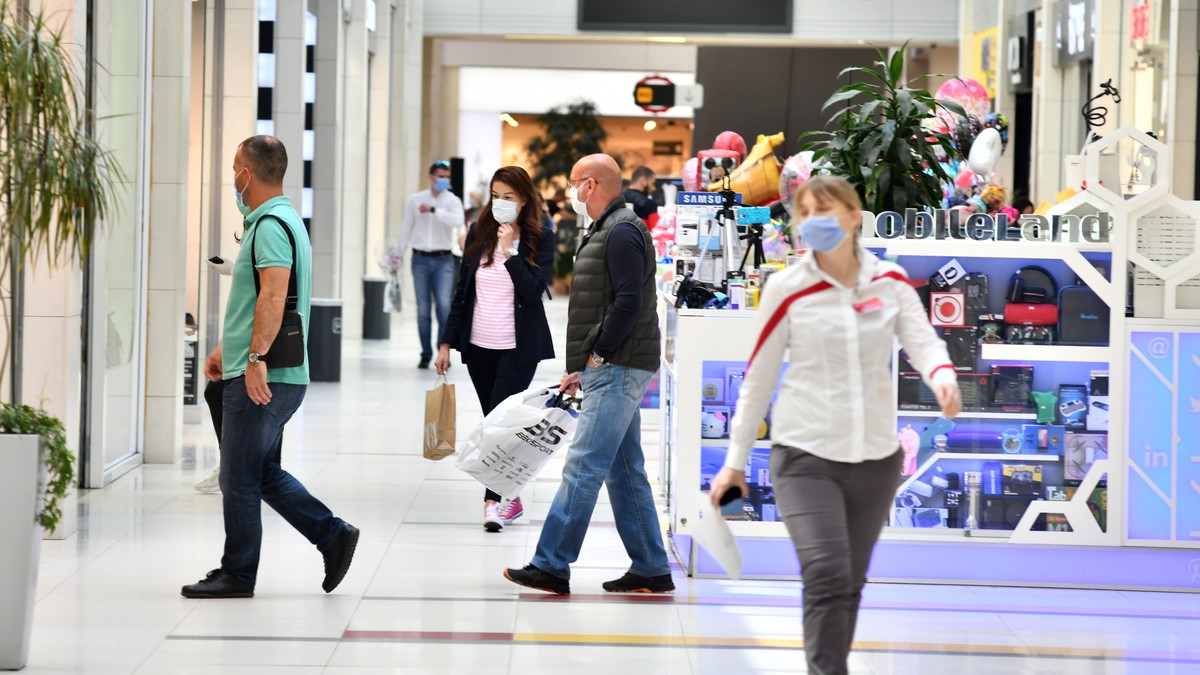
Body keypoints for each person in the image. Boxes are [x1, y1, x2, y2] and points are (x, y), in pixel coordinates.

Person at [709, 175, 962, 675]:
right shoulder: (785, 287)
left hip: (875, 460)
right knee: (826, 571)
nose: (814, 221)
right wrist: (734, 464)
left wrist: (942, 376)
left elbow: (924, 340)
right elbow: (757, 379)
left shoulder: (889, 281)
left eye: (825, 210)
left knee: (849, 582)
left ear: (852, 215)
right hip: (804, 456)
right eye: (805, 213)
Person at [182, 135, 359, 599]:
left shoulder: (270, 226)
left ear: (245, 171)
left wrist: (256, 359)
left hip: (266, 375)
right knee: (256, 472)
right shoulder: (281, 220)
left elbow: (275, 295)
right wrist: (228, 348)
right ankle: (332, 535)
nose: (232, 178)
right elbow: (254, 300)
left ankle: (239, 573)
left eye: (233, 168)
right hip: (260, 369)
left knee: (238, 479)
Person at [504, 154, 672, 596]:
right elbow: (603, 303)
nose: (572, 191)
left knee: (583, 465)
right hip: (614, 365)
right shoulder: (607, 230)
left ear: (591, 184)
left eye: (574, 183)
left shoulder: (620, 232)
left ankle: (551, 564)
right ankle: (652, 567)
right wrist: (579, 366)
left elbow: (629, 302)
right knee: (624, 469)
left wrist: (597, 353)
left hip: (618, 366)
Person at [435, 166, 555, 532]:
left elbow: (534, 292)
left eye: (509, 197)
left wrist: (510, 252)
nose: (501, 203)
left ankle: (492, 503)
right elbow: (462, 292)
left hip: (518, 349)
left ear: (525, 200)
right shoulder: (478, 233)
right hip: (479, 346)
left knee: (497, 426)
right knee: (493, 421)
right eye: (496, 196)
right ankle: (511, 496)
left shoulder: (540, 237)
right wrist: (445, 343)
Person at [396, 160, 466, 369]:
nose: (443, 180)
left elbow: (457, 221)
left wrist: (435, 210)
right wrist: (397, 255)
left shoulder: (452, 201)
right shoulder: (416, 200)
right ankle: (425, 352)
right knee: (423, 308)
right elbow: (406, 228)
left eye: (447, 177)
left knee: (444, 305)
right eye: (440, 176)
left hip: (444, 259)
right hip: (420, 259)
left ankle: (441, 350)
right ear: (431, 177)